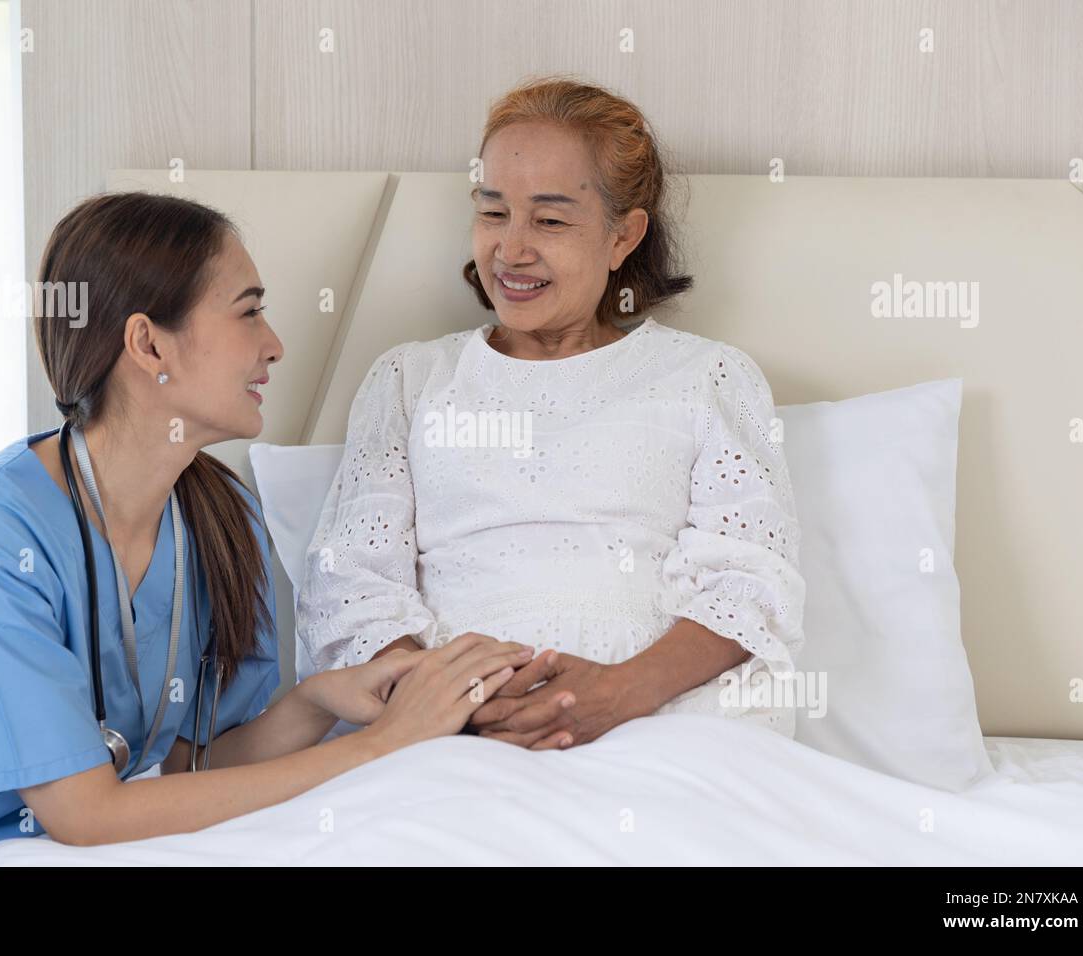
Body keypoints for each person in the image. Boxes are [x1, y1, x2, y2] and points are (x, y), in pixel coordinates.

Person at [0, 191, 533, 866]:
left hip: (18, 843)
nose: (276, 345)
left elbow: (190, 766)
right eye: (249, 312)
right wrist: (382, 747)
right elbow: (86, 815)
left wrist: (318, 702)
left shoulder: (219, 518)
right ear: (149, 344)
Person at [298, 77, 807, 750]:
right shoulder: (409, 381)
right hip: (453, 734)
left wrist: (614, 696)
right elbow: (352, 579)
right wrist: (464, 705)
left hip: (667, 724)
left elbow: (750, 582)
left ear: (623, 236)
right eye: (492, 212)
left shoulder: (710, 378)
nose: (512, 250)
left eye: (551, 219)